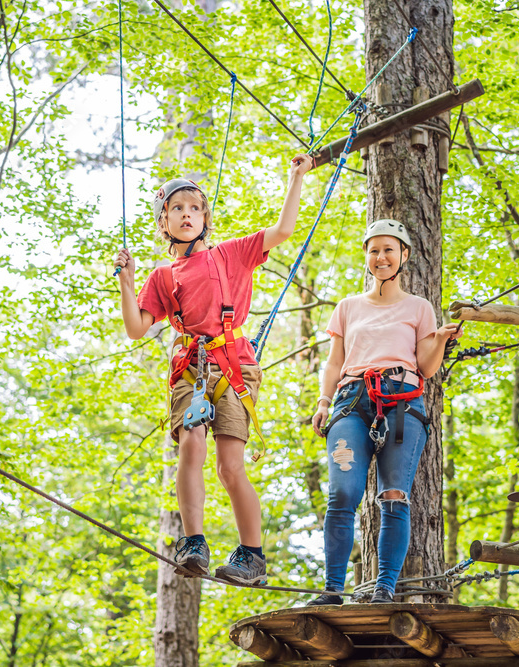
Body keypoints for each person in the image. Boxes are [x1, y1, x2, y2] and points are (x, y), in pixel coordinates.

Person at [114, 154, 313, 586]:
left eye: (194, 208)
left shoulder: (232, 254)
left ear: (205, 218)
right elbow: (135, 329)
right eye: (177, 209)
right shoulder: (162, 276)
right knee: (191, 447)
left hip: (234, 361)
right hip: (190, 366)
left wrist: (295, 177)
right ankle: (193, 543)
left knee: (229, 465)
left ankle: (252, 556)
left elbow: (283, 230)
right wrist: (127, 285)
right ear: (163, 221)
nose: (187, 215)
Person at [308, 219, 462, 604]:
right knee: (343, 493)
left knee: (394, 495)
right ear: (366, 256)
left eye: (389, 249)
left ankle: (385, 587)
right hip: (351, 400)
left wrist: (440, 339)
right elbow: (333, 362)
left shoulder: (419, 307)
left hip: (402, 403)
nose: (381, 257)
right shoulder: (347, 308)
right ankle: (332, 589)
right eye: (374, 250)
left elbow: (427, 367)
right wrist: (323, 401)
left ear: (404, 256)